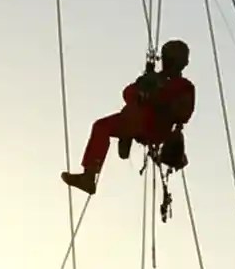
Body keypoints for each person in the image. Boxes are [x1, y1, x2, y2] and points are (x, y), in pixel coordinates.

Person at [61, 40, 195, 195]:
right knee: (101, 126)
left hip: (154, 125)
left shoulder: (182, 86)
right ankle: (89, 176)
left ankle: (125, 138)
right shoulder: (155, 79)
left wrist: (156, 94)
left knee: (115, 123)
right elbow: (128, 93)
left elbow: (183, 113)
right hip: (137, 121)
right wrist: (143, 88)